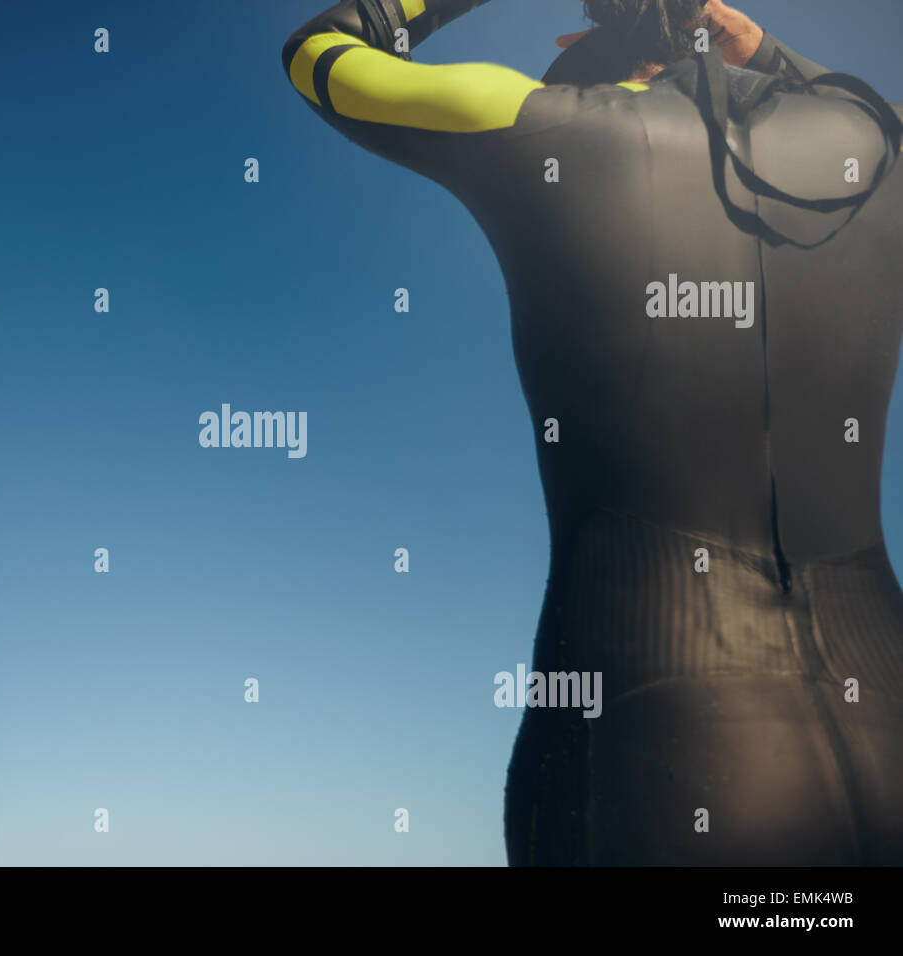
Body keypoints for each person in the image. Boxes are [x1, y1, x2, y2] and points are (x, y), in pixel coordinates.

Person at [282, 0, 903, 864]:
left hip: (654, 747)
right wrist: (758, 49)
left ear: (597, 79)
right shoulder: (873, 148)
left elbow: (318, 52)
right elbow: (853, 104)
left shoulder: (552, 129)